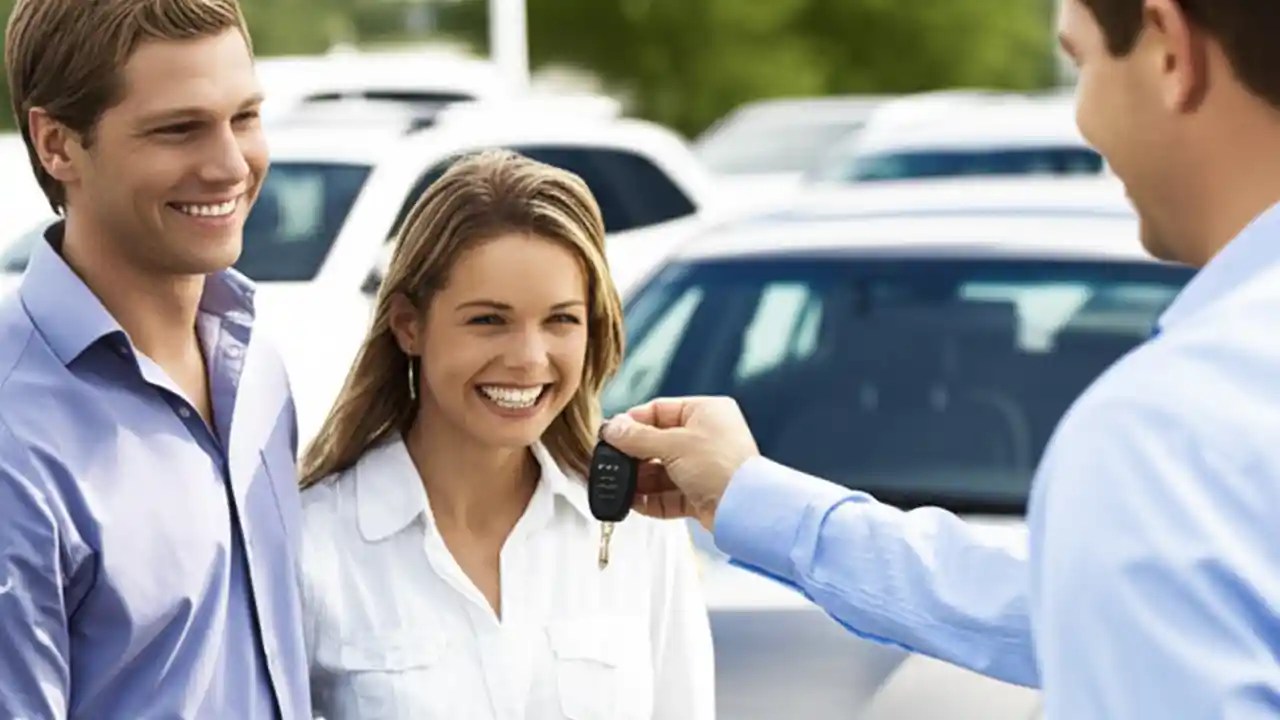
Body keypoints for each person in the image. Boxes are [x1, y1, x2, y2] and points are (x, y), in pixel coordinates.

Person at [602, 0, 1280, 717]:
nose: (1081, 122)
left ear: (1170, 51)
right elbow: (1047, 603)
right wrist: (751, 494)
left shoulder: (1164, 440)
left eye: (1081, 63)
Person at [297, 149, 715, 720]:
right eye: (488, 320)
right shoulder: (312, 542)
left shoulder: (637, 527)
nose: (528, 358)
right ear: (408, 325)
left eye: (561, 320)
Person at [0, 1, 309, 718]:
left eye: (245, 118)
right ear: (57, 145)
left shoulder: (257, 370)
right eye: (179, 128)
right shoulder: (13, 432)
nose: (231, 165)